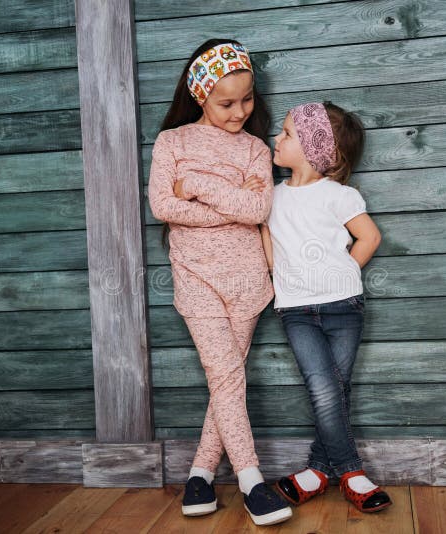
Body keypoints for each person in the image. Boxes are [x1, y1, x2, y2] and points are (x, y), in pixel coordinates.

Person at [147, 39, 292, 526]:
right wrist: (230, 208)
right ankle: (252, 479)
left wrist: (201, 189)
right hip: (196, 279)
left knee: (223, 381)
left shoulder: (255, 149)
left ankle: (200, 474)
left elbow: (258, 210)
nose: (239, 112)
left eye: (247, 99)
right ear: (200, 97)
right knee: (227, 377)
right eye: (226, 103)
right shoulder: (173, 143)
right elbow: (163, 207)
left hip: (248, 281)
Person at [261, 102, 391, 513]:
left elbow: (369, 238)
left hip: (344, 307)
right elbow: (270, 255)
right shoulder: (271, 198)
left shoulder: (339, 195)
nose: (276, 140)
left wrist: (339, 274)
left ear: (316, 149)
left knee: (333, 390)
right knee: (325, 388)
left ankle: (317, 471)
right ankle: (351, 472)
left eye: (286, 134)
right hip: (296, 310)